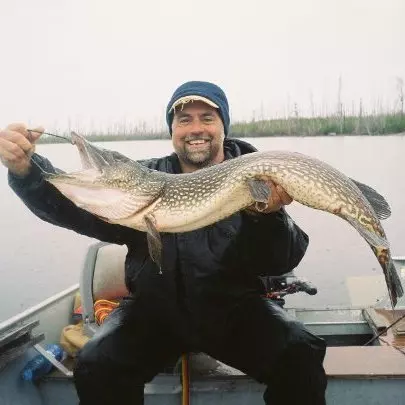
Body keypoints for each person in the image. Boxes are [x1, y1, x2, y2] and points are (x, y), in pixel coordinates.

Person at [0, 81, 327, 404]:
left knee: (300, 355)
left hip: (234, 311)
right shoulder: (144, 178)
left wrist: (267, 215)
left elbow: (283, 258)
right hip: (153, 313)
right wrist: (28, 171)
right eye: (184, 120)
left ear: (223, 126)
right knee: (97, 364)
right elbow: (72, 210)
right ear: (172, 130)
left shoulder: (255, 177)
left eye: (207, 118)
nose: (195, 128)